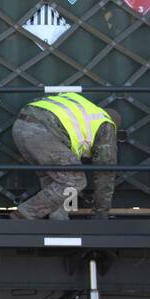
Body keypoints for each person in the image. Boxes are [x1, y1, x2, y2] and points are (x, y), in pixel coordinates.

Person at [11, 92, 119, 220]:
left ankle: (59, 220)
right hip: (42, 132)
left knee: (54, 179)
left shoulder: (83, 109)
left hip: (21, 126)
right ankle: (26, 212)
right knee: (75, 180)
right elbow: (105, 172)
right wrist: (101, 214)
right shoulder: (105, 123)